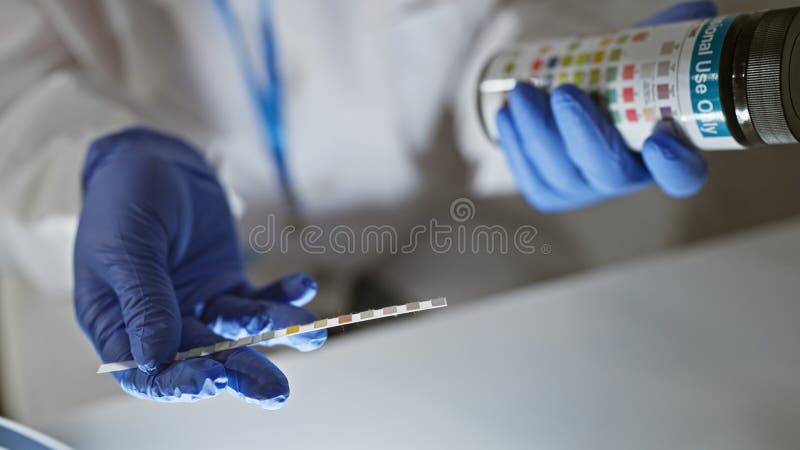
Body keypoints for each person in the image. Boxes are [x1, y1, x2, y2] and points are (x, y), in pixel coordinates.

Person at [0, 0, 715, 414]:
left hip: (439, 243)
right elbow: (14, 93)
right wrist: (99, 164)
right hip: (147, 286)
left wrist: (549, 96)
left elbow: (507, 19)